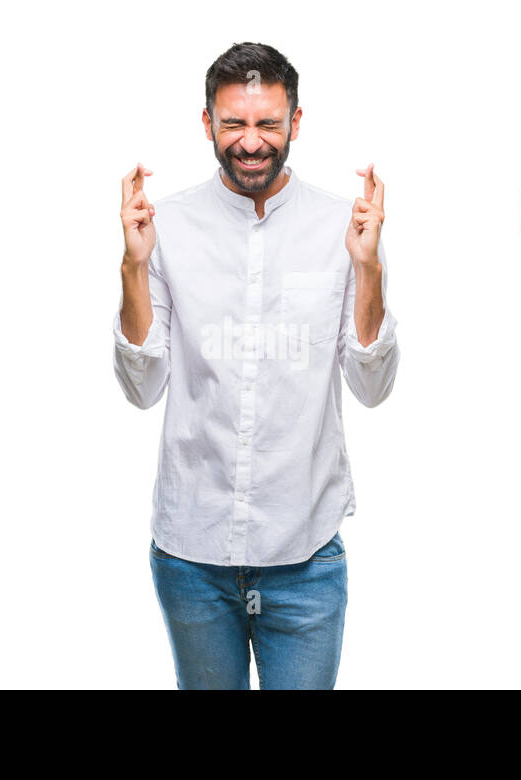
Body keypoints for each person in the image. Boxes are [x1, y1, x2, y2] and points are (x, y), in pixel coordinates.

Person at [113, 42, 399, 689]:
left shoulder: (343, 226)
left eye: (267, 124)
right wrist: (133, 264)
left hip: (304, 553)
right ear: (208, 123)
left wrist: (368, 266)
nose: (250, 141)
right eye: (234, 123)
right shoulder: (167, 226)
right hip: (193, 550)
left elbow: (373, 384)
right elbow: (142, 384)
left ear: (295, 123)